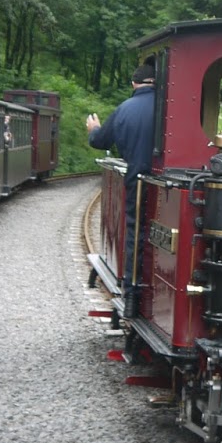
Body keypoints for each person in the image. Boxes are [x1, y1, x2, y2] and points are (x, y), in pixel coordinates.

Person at [86, 61, 157, 313]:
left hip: (137, 184)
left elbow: (99, 140)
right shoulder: (171, 108)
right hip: (171, 189)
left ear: (133, 84)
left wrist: (93, 129)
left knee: (135, 235)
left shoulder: (124, 109)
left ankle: (132, 295)